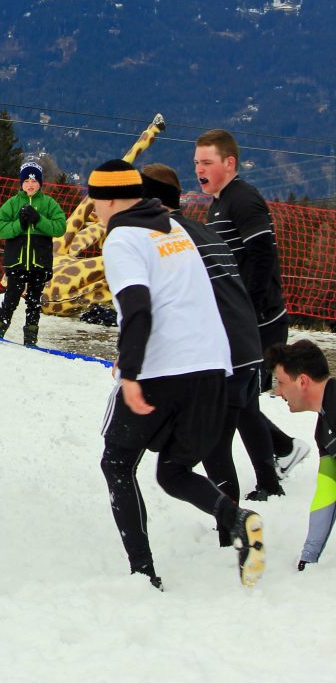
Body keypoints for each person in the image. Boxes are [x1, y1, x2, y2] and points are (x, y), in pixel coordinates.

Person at [89, 158, 265, 589]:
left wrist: (130, 372)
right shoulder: (176, 229)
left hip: (162, 369)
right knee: (173, 471)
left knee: (116, 463)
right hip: (210, 369)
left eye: (94, 202)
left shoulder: (123, 238)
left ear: (111, 199)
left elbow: (137, 306)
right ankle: (237, 519)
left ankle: (142, 574)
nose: (93, 211)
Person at [141, 163, 282, 504]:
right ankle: (269, 484)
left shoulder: (165, 236)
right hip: (248, 341)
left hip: (222, 351)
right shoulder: (202, 230)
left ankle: (232, 527)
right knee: (245, 410)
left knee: (214, 443)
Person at [196, 128, 310, 481]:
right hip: (241, 318)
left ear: (229, 163)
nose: (199, 170)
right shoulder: (218, 204)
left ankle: (273, 473)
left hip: (260, 320)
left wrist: (249, 308)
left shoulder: (243, 199)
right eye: (196, 162)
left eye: (207, 162)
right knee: (240, 398)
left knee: (240, 397)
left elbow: (263, 257)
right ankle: (285, 451)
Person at [264, 339, 336, 569]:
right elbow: (328, 490)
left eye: (282, 382)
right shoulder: (324, 429)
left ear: (302, 381)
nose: (278, 391)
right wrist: (309, 555)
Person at [0, 161, 66, 345]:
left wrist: (39, 220)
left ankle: (30, 338)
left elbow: (60, 227)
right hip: (17, 261)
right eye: (26, 181)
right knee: (11, 299)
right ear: (21, 183)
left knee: (33, 302)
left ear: (40, 183)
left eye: (34, 180)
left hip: (39, 263)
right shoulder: (13, 203)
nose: (30, 184)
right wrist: (20, 225)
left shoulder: (49, 203)